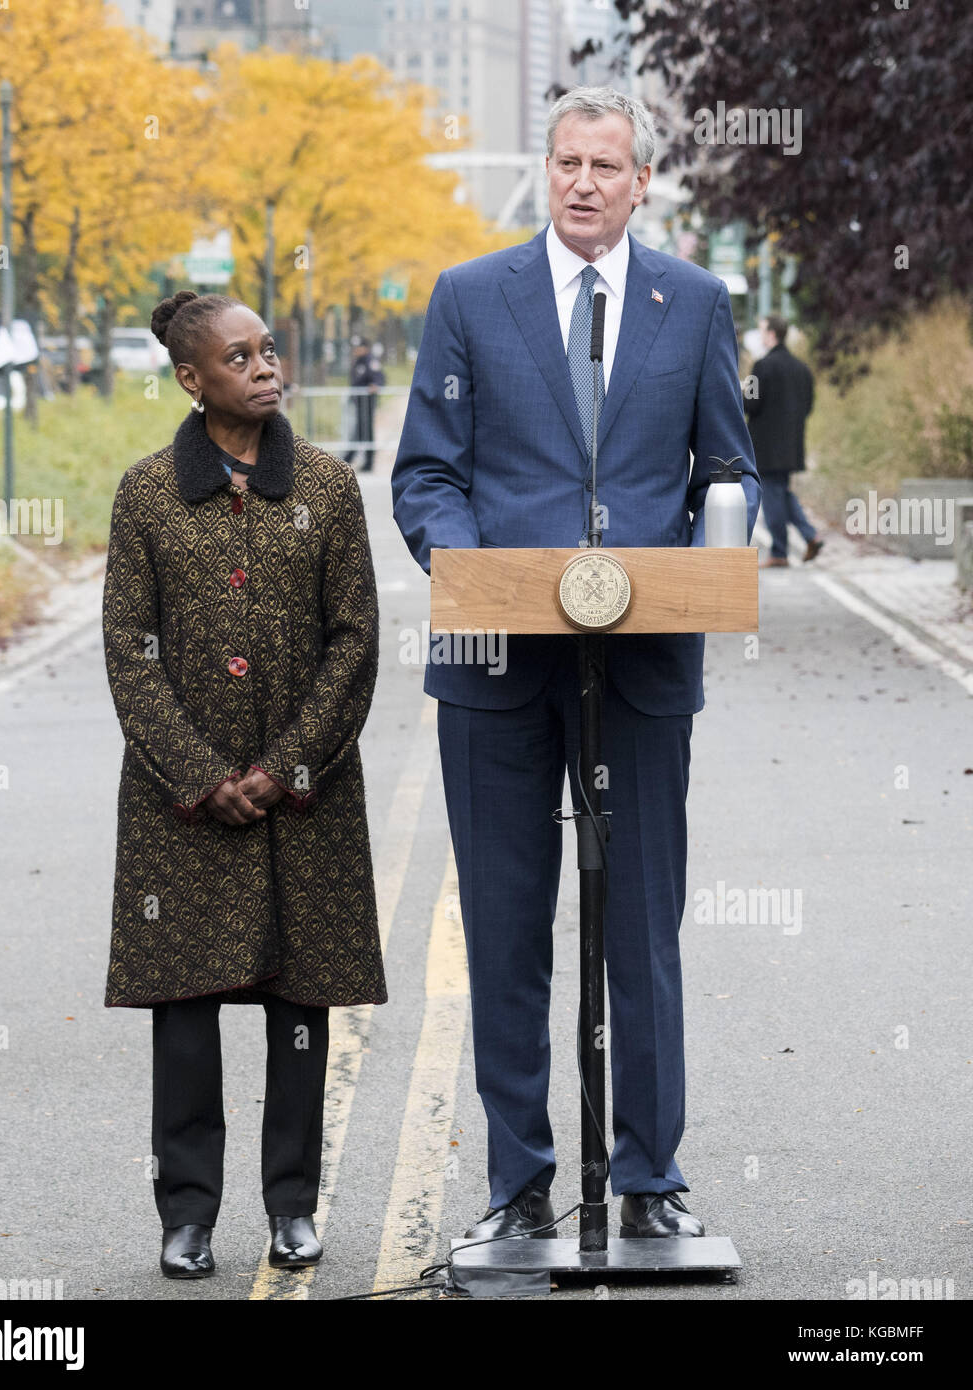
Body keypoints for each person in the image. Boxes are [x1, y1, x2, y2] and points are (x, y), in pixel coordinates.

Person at [392, 86, 761, 1243]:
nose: (584, 182)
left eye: (607, 164)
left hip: (643, 665)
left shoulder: (693, 301)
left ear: (641, 181)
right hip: (495, 662)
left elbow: (726, 467)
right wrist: (472, 568)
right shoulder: (467, 298)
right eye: (566, 162)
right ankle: (517, 1189)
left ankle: (650, 1180)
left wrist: (719, 552)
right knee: (503, 930)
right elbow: (425, 474)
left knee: (641, 929)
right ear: (545, 174)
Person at [102, 290, 386, 1280]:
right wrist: (202, 775)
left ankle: (291, 1206)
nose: (266, 368)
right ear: (191, 379)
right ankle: (186, 1214)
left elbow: (352, 642)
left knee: (296, 1003)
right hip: (176, 803)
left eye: (268, 350)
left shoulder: (327, 486)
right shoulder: (145, 495)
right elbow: (130, 653)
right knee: (184, 1010)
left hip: (302, 797)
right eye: (240, 356)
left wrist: (284, 767)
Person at [747, 314, 823, 567]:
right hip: (792, 445)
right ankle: (810, 536)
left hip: (766, 446)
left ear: (771, 334)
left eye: (761, 331)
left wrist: (741, 392)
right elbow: (809, 406)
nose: (759, 336)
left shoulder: (761, 366)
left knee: (772, 498)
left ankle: (779, 553)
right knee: (781, 492)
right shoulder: (803, 370)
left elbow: (751, 403)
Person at [343, 338, 386, 471]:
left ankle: (354, 460)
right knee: (361, 431)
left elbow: (379, 378)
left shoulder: (370, 361)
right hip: (358, 402)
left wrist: (375, 385)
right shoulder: (357, 361)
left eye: (358, 347)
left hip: (367, 403)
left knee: (365, 432)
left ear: (365, 348)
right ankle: (353, 460)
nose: (356, 350)